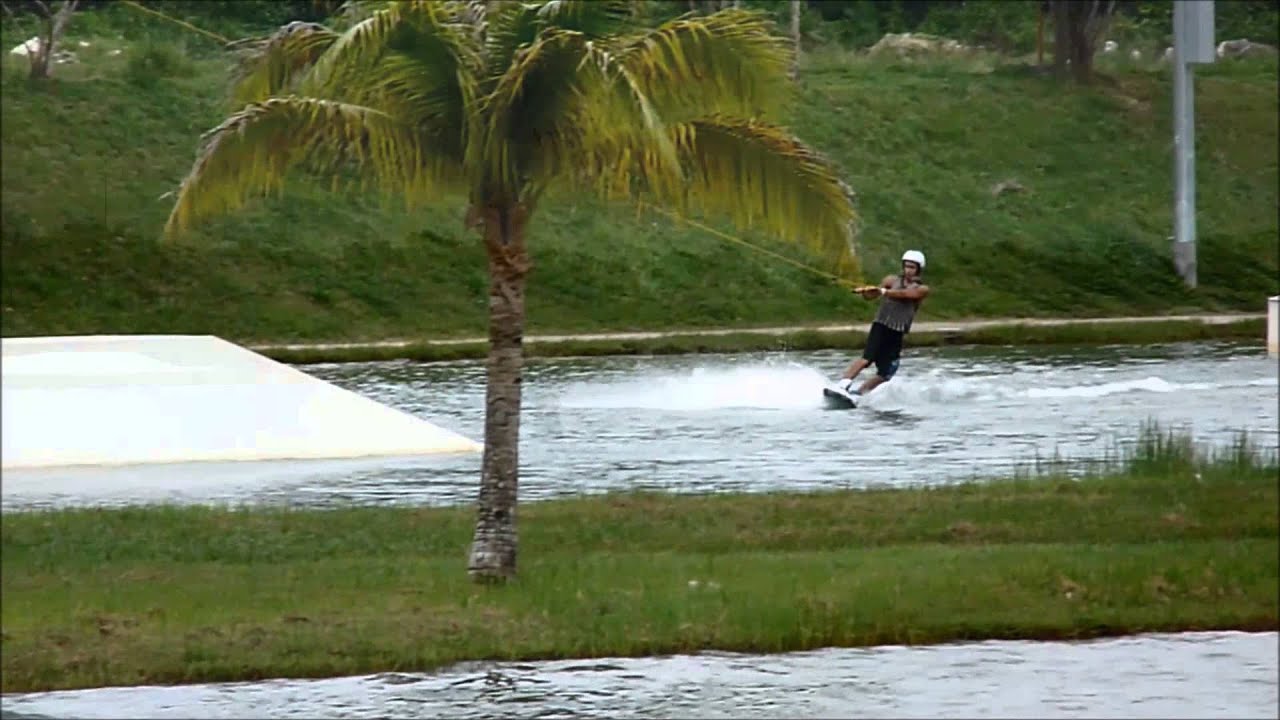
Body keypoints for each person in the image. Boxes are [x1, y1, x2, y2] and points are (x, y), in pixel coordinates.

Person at [835, 250, 930, 398]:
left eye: (912, 267)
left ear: (918, 269)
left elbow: (906, 295)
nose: (908, 270)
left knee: (887, 372)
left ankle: (858, 394)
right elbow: (872, 296)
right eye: (906, 266)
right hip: (881, 324)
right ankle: (842, 384)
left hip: (897, 331)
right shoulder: (891, 280)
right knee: (867, 358)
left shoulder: (922, 289)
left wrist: (883, 291)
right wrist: (867, 292)